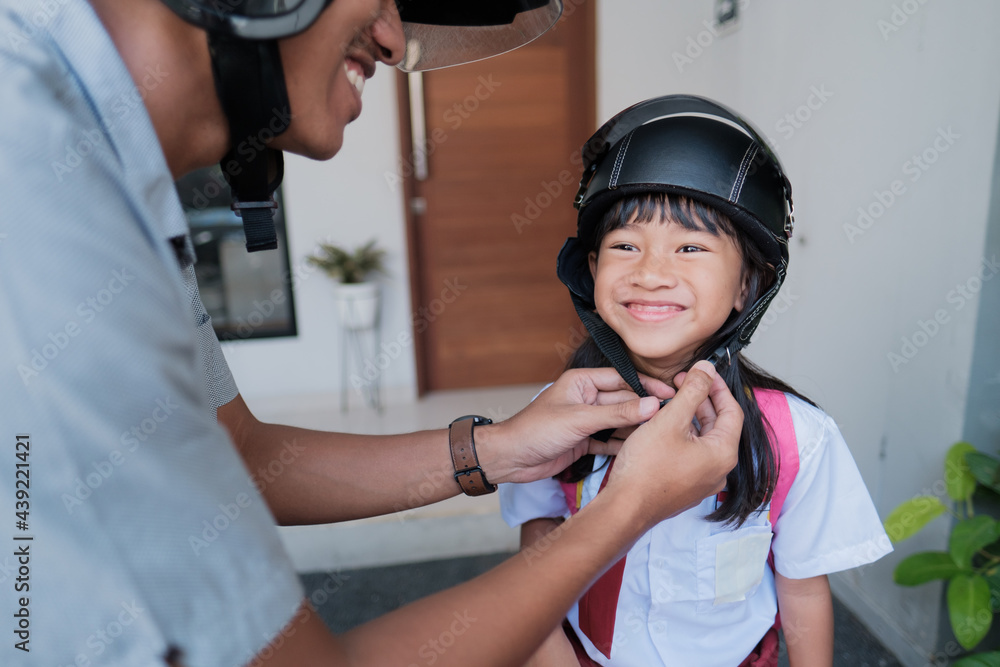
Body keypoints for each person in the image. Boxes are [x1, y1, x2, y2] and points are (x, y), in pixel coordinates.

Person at [0, 3, 746, 667]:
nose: (391, 37)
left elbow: (237, 456)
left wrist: (497, 446)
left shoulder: (107, 170)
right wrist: (626, 510)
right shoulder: (40, 199)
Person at [499, 95, 894, 667]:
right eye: (625, 246)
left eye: (691, 247)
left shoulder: (798, 438)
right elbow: (533, 567)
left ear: (746, 286)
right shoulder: (553, 420)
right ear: (591, 271)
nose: (652, 273)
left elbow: (803, 589)